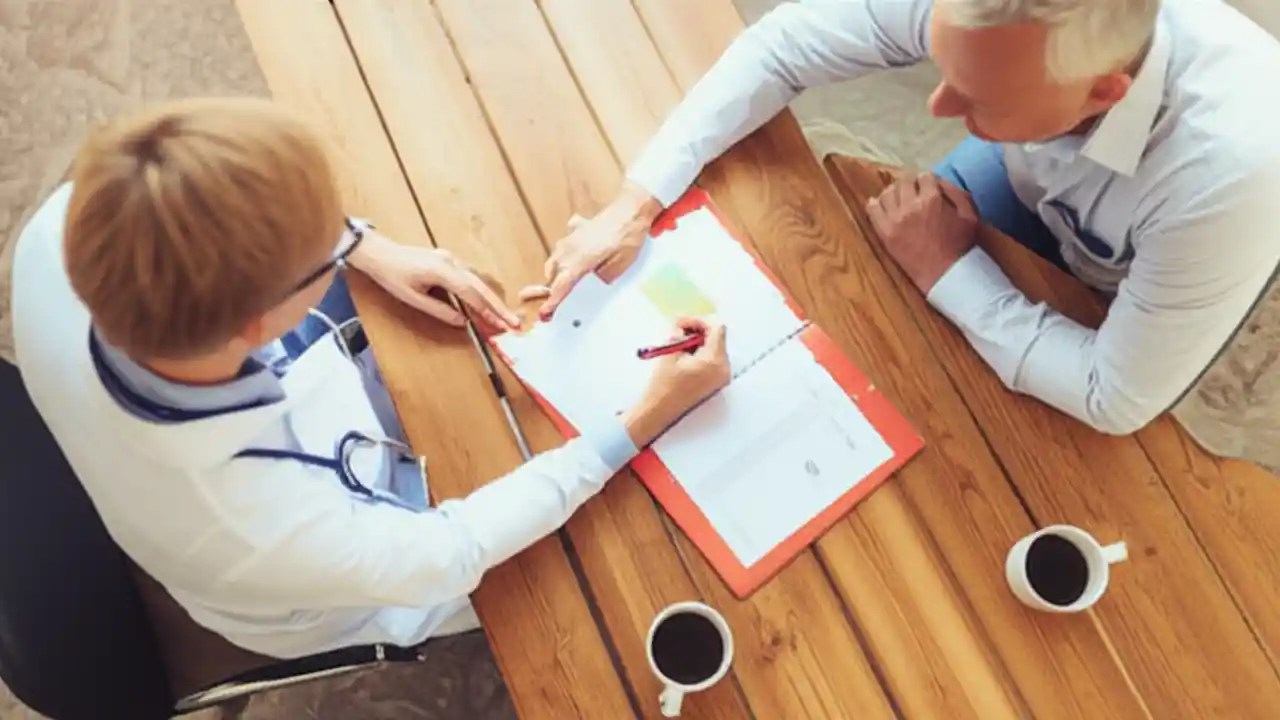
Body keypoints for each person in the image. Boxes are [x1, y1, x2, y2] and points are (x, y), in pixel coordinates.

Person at [10, 97, 730, 659]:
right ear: (259, 326)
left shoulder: (60, 230)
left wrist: (367, 248)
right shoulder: (263, 527)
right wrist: (640, 420)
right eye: (323, 259)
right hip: (340, 591)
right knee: (612, 562)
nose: (338, 249)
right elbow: (451, 553)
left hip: (277, 480)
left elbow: (207, 188)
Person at [533, 0, 1280, 471]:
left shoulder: (1231, 179)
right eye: (939, 57)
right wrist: (635, 203)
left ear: (1102, 93)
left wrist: (948, 270)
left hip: (1150, 265)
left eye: (978, 95)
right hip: (1022, 182)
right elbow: (782, 45)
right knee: (877, 355)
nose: (936, 102)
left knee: (1021, 454)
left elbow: (1113, 396)